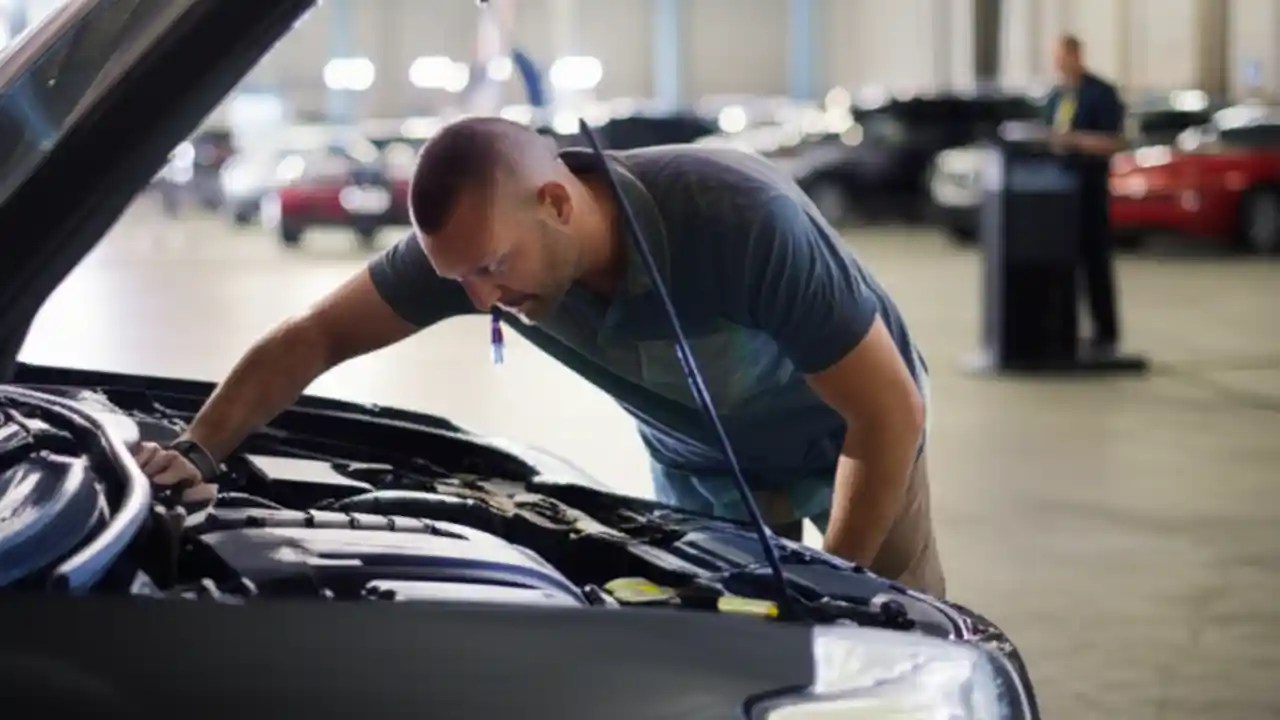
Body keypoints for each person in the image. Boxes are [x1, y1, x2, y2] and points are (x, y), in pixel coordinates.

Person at [132, 117, 946, 598]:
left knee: (893, 640)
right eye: (460, 279)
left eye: (491, 269)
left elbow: (884, 411)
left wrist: (835, 584)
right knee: (725, 638)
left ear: (556, 203)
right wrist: (198, 448)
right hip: (705, 463)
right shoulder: (480, 248)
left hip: (852, 438)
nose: (480, 299)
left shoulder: (735, 221)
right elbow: (315, 336)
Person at [1043, 33, 1128, 355]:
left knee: (1095, 264)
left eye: (1062, 56)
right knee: (1062, 265)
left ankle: (1105, 332)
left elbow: (1114, 142)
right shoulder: (1055, 96)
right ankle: (1065, 330)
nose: (1058, 63)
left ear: (1077, 55)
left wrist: (1075, 141)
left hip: (1089, 190)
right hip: (1055, 194)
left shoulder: (1101, 93)